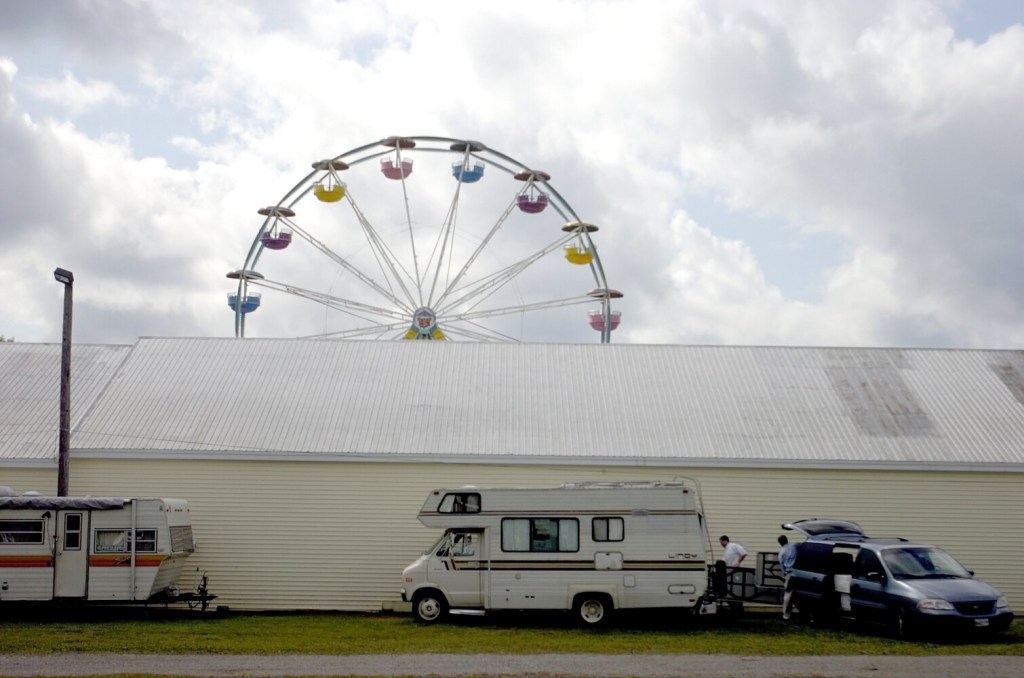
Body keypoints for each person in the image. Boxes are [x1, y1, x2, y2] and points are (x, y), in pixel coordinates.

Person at [778, 534, 797, 620]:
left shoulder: (782, 552)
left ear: (780, 543)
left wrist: (784, 574)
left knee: (788, 594)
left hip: (789, 574)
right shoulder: (794, 546)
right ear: (787, 540)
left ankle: (786, 615)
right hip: (799, 573)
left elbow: (782, 565)